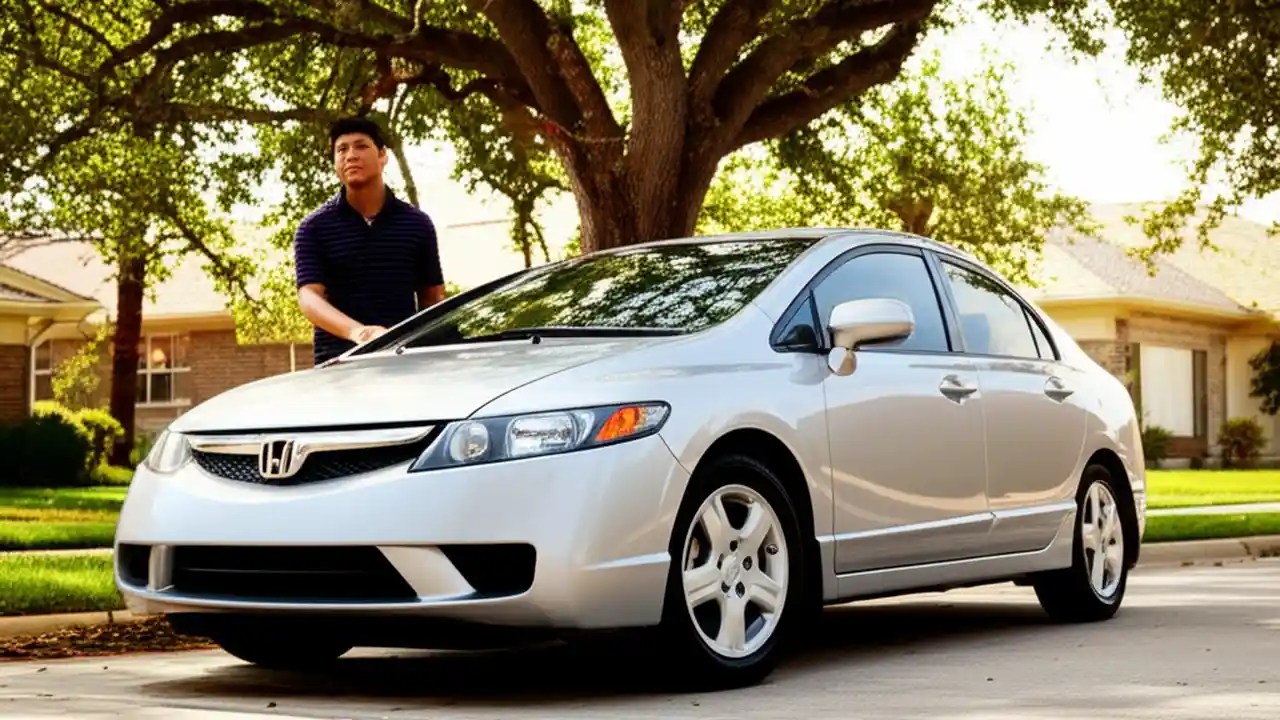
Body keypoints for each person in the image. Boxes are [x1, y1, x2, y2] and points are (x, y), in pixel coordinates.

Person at [293, 117, 446, 365]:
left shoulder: (417, 224)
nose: (350, 155)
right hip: (337, 367)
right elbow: (309, 297)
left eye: (361, 146)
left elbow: (433, 298)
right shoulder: (313, 227)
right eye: (341, 149)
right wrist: (360, 333)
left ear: (383, 155)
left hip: (403, 363)